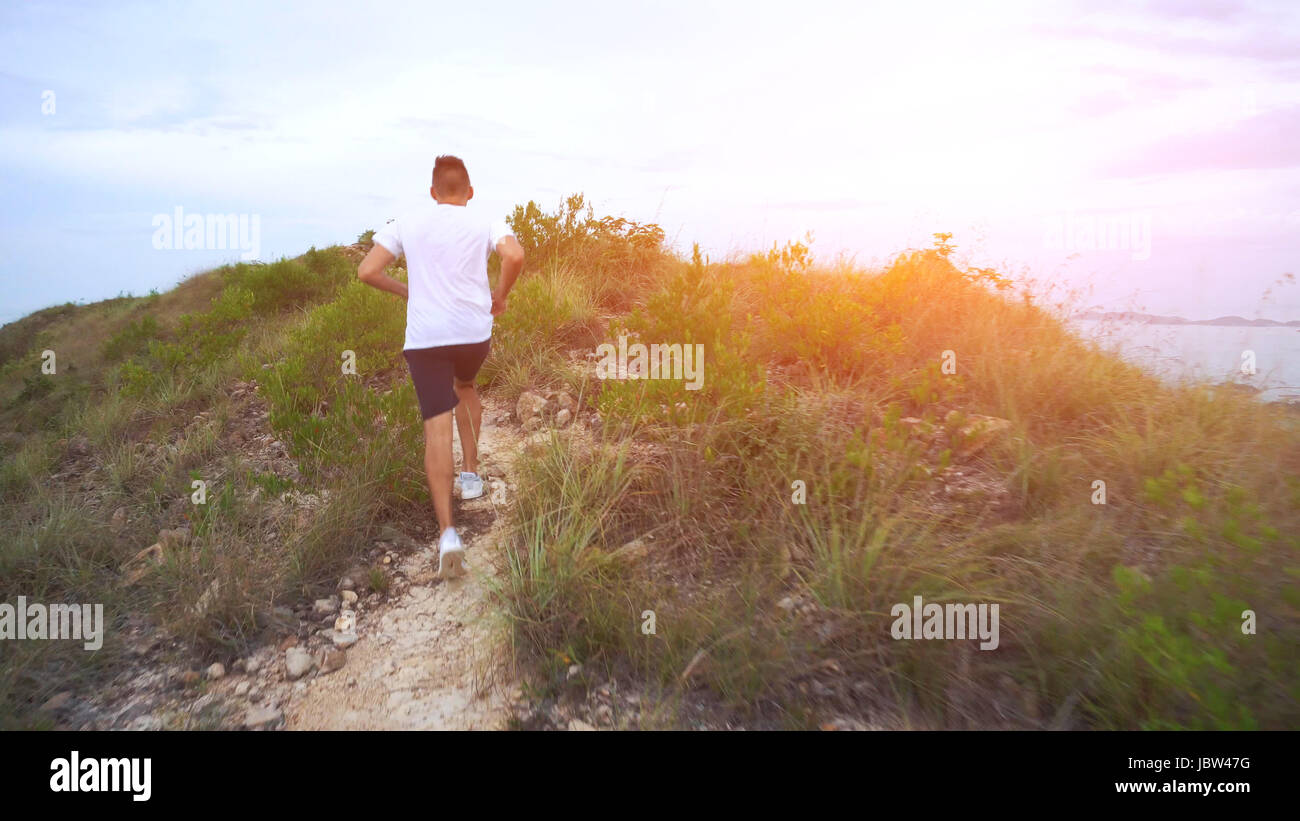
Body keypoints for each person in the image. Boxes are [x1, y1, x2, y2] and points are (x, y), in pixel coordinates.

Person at [356, 155, 525, 578]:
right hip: (472, 333)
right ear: (469, 192)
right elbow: (515, 256)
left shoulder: (407, 221)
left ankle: (448, 535)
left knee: (436, 425)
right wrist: (500, 296)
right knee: (465, 386)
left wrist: (407, 291)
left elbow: (367, 271)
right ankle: (470, 474)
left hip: (427, 339)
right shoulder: (485, 219)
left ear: (433, 193)